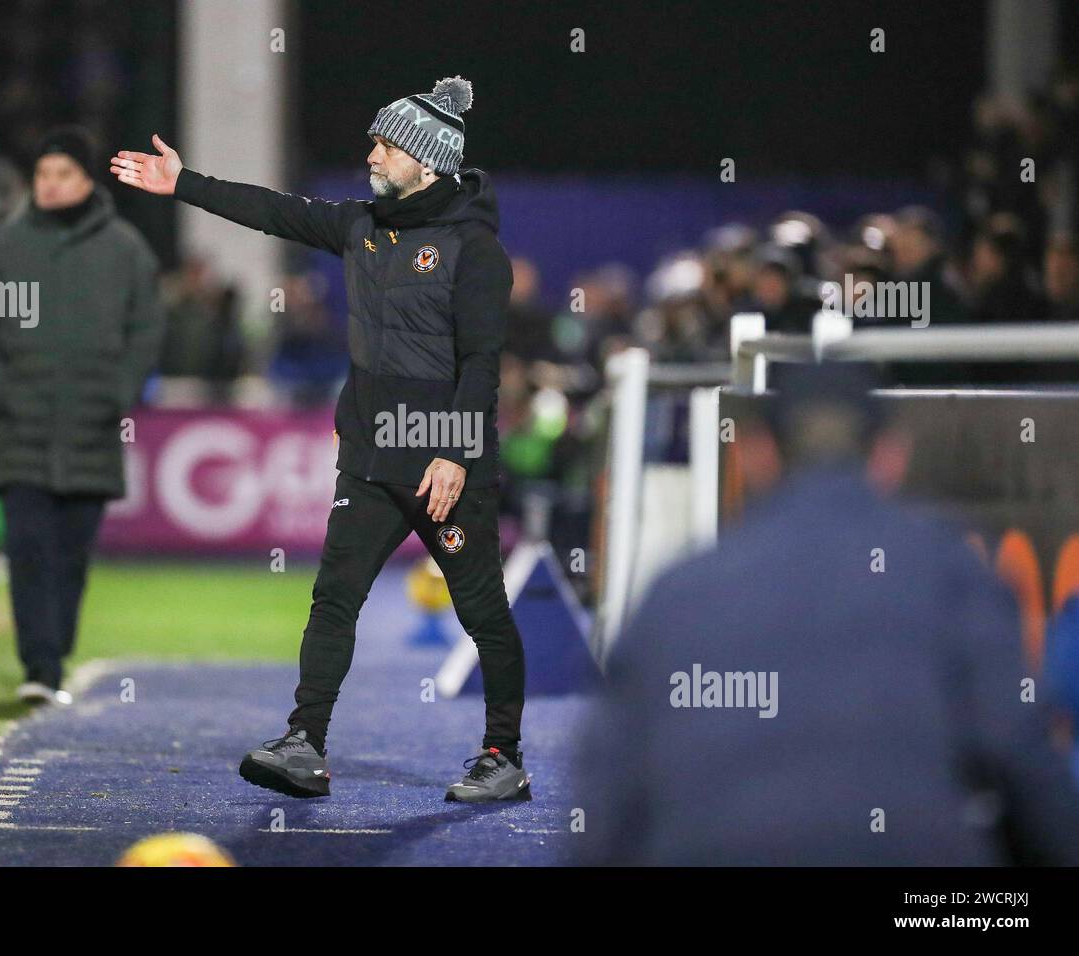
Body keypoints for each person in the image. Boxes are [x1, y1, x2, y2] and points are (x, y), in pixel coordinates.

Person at [110, 76, 530, 802]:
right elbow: (275, 212)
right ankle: (304, 742)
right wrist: (184, 184)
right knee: (333, 598)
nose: (370, 152)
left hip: (440, 462)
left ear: (424, 161)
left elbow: (481, 364)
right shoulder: (360, 225)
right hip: (370, 455)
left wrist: (455, 453)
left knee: (482, 610)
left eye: (385, 144)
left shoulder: (474, 251)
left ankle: (504, 756)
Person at [574, 363, 1079, 865]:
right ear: (889, 456)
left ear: (755, 454)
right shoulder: (952, 572)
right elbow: (1023, 763)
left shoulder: (677, 592)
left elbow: (609, 809)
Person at [0, 126, 164, 707]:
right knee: (28, 548)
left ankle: (55, 651)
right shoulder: (2, 246)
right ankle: (40, 666)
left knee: (72, 553)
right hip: (18, 429)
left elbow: (147, 327)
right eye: (43, 175)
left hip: (91, 428)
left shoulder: (125, 249)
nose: (50, 185)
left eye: (63, 174)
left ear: (87, 179)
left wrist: (119, 392)